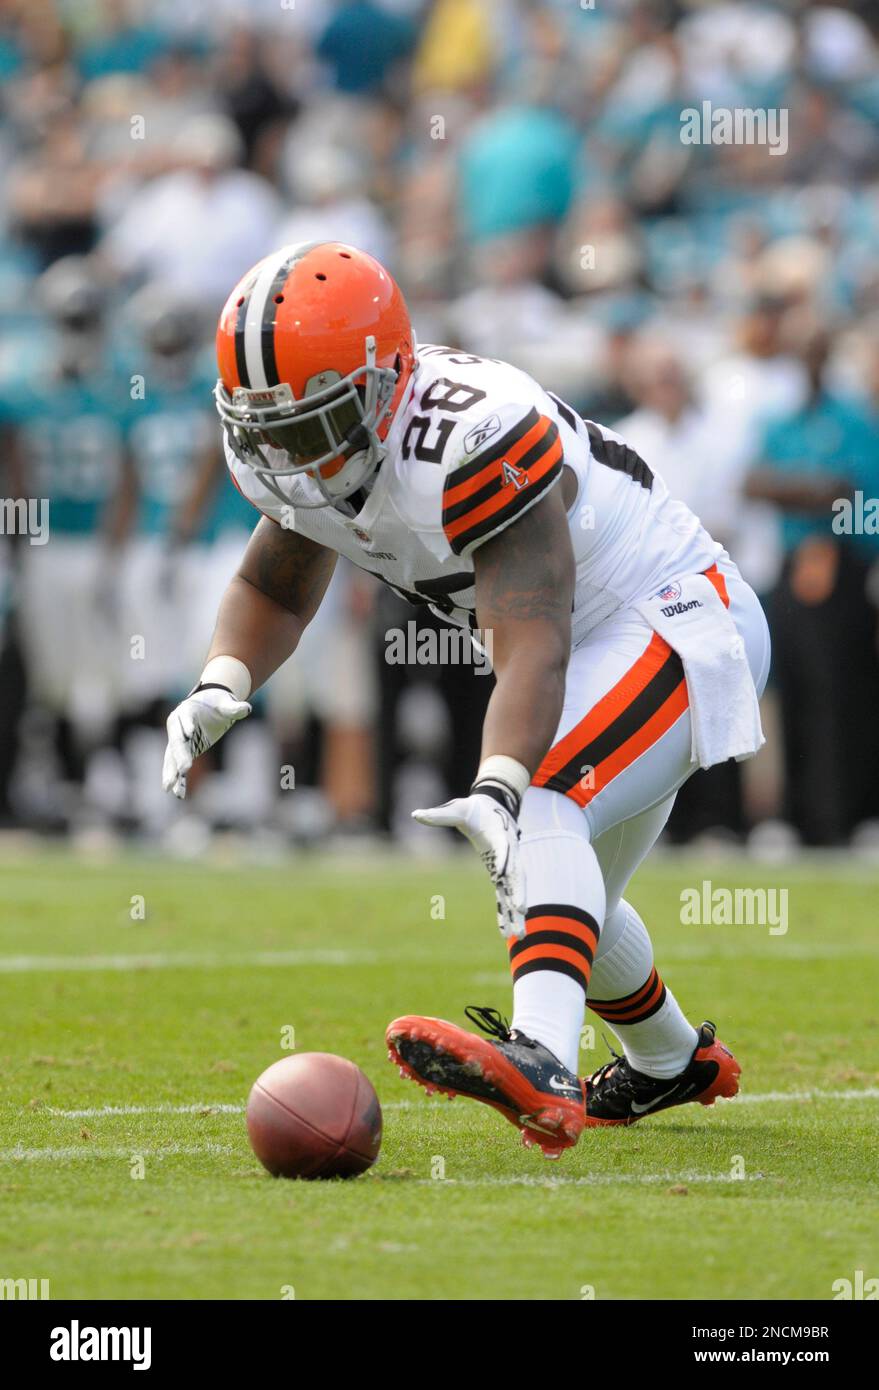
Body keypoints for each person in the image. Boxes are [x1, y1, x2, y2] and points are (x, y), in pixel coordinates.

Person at [161, 243, 770, 1157]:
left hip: (671, 615)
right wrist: (221, 681)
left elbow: (533, 637)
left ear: (382, 382)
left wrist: (498, 784)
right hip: (584, 643)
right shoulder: (312, 454)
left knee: (540, 804)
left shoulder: (472, 433)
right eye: (268, 424)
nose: (288, 450)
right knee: (571, 898)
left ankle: (543, 1062)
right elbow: (277, 585)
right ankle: (668, 1062)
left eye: (313, 422)